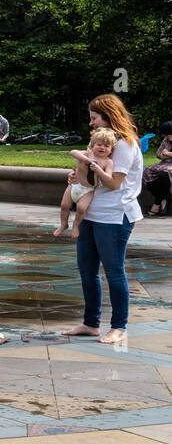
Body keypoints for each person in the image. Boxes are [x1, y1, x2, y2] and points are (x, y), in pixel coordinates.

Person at [63, 95, 143, 345]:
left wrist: (90, 169)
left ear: (108, 115)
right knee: (87, 271)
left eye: (94, 117)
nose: (91, 123)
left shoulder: (125, 145)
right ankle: (90, 323)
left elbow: (114, 183)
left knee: (114, 272)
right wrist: (77, 175)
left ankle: (119, 326)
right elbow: (91, 182)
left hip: (115, 216)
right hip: (91, 214)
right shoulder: (100, 142)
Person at [54, 129, 115, 239]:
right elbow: (73, 152)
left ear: (111, 150)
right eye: (99, 144)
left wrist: (98, 170)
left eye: (106, 146)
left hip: (88, 190)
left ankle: (76, 225)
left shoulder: (107, 162)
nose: (102, 148)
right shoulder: (87, 154)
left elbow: (108, 178)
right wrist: (87, 160)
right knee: (64, 206)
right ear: (92, 146)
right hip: (75, 185)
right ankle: (63, 224)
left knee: (81, 208)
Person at [142, 121, 172, 216]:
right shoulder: (166, 140)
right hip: (165, 163)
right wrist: (165, 156)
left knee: (165, 174)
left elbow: (165, 154)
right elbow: (158, 154)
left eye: (168, 135)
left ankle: (157, 204)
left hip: (169, 166)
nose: (167, 137)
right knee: (147, 172)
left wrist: (168, 154)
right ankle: (161, 198)